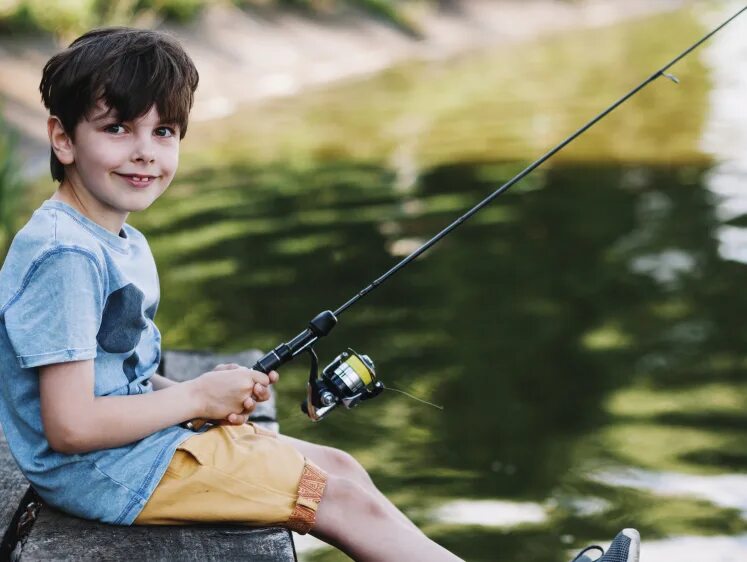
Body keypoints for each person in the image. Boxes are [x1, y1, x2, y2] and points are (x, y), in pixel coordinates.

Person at [0, 27, 636, 562]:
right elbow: (72, 424)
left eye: (164, 133)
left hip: (126, 454)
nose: (145, 153)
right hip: (105, 476)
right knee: (338, 498)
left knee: (342, 468)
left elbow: (120, 381)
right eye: (118, 129)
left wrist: (198, 400)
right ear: (62, 138)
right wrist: (194, 395)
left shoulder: (111, 236)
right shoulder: (66, 256)